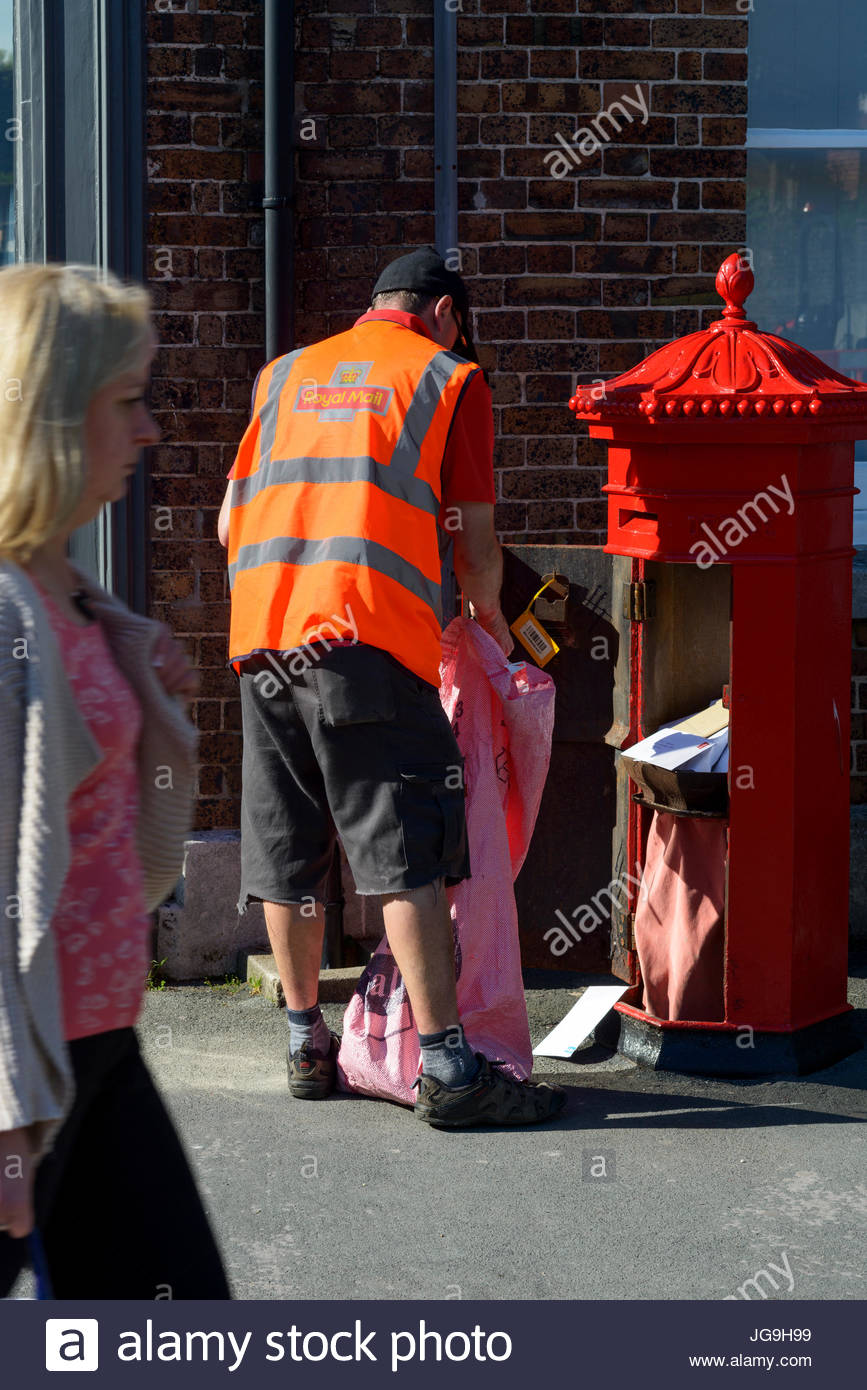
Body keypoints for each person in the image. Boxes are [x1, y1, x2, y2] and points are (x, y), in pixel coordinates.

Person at [219, 247, 565, 1128]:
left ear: (377, 305)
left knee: (288, 848)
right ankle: (449, 1070)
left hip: (265, 640)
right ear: (445, 314)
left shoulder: (286, 373)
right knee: (408, 846)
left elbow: (230, 520)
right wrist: (488, 635)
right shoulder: (448, 378)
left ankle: (305, 1042)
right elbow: (474, 544)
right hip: (367, 640)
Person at [0, 263, 230, 1297]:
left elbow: (109, 852)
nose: (149, 432)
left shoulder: (68, 587)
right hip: (30, 1069)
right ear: (50, 413)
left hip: (95, 1038)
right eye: (127, 401)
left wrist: (144, 692)